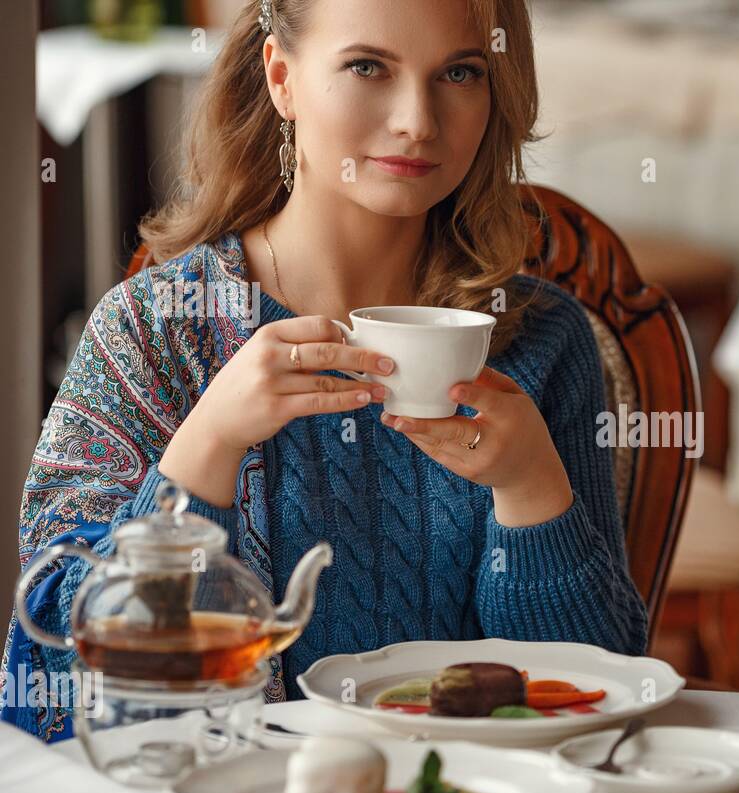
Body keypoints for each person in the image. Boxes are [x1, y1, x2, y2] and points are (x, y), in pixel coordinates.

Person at [2, 0, 648, 742]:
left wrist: (533, 488)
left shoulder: (542, 342)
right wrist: (206, 450)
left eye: (461, 72)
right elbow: (51, 661)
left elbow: (603, 695)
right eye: (368, 66)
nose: (418, 121)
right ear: (281, 76)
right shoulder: (152, 331)